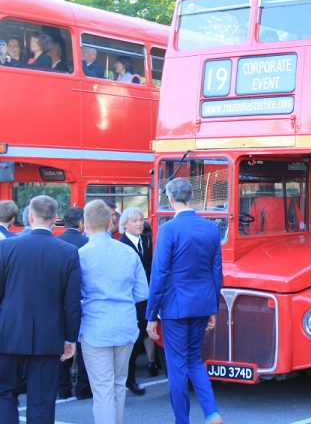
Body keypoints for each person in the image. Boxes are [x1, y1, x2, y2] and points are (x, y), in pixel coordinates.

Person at [146, 178, 223, 424]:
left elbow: (159, 274)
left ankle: (182, 420)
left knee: (177, 366)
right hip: (202, 303)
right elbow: (216, 273)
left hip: (175, 306)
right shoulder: (211, 228)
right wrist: (212, 308)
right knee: (194, 359)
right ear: (193, 197)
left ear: (170, 199)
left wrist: (151, 315)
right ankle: (211, 411)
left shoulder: (168, 229)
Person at [0, 195, 81, 424]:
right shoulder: (68, 252)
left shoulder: (5, 248)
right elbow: (72, 302)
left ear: (31, 216)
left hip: (9, 331)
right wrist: (70, 338)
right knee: (42, 399)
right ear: (56, 219)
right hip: (49, 334)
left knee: (4, 393)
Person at [79, 199, 148, 424]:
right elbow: (142, 292)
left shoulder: (81, 254)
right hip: (125, 324)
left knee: (102, 390)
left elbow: (75, 295)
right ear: (111, 222)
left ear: (85, 223)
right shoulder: (127, 253)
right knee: (119, 385)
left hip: (95, 328)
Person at [118, 207, 158, 395]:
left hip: (148, 298)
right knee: (132, 340)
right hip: (130, 299)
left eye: (141, 220)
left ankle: (150, 364)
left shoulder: (148, 241)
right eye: (135, 220)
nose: (140, 223)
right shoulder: (121, 245)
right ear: (125, 224)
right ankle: (129, 378)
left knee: (145, 333)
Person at [57, 207, 92, 401]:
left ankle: (63, 388)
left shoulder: (56, 243)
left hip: (60, 302)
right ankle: (83, 387)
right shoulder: (87, 243)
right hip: (84, 300)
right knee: (84, 346)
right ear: (81, 223)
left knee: (63, 343)